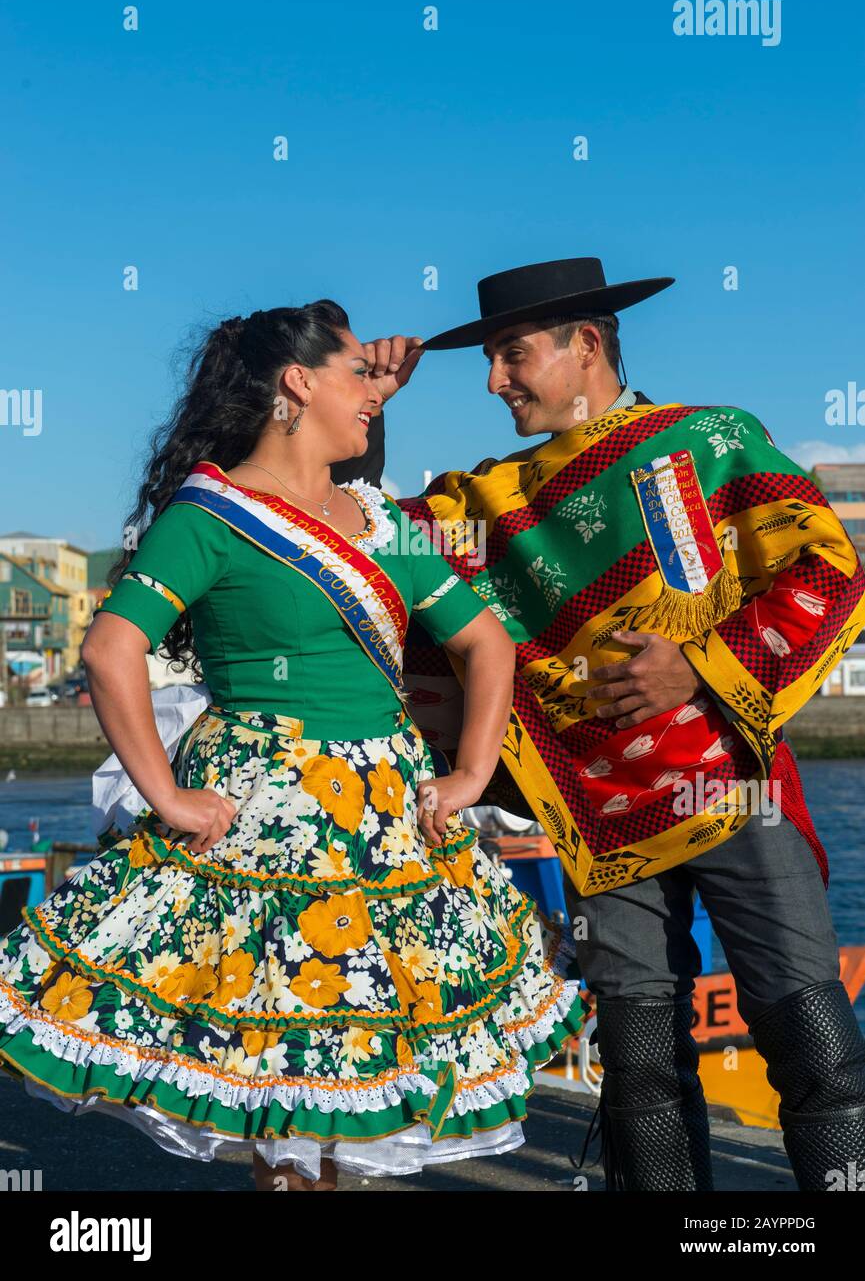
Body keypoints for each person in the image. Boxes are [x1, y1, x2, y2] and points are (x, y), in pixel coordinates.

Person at [0, 301, 585, 1190]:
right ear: (297, 382)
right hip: (265, 821)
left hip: (388, 821)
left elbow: (485, 642)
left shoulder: (381, 519)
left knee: (358, 1080)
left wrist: (471, 772)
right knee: (283, 1079)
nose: (376, 393)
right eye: (358, 375)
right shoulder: (211, 513)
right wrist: (167, 797)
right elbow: (110, 647)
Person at [354, 257, 865, 1192]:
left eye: (512, 355)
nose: (493, 380)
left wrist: (700, 662)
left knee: (815, 1049)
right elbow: (370, 554)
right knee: (636, 1070)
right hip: (595, 812)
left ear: (585, 344)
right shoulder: (481, 505)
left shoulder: (710, 443)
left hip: (731, 786)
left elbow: (827, 570)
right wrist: (371, 416)